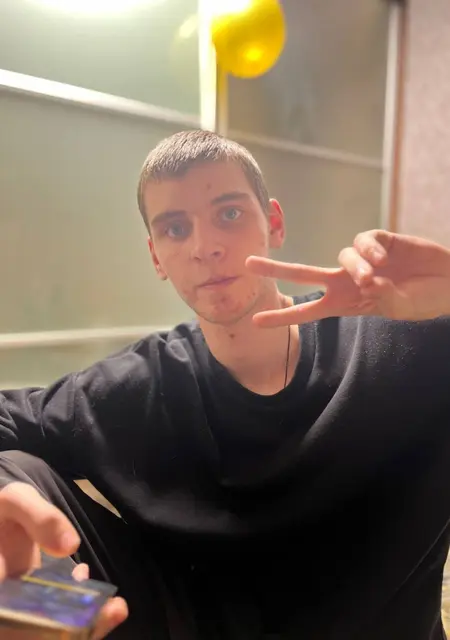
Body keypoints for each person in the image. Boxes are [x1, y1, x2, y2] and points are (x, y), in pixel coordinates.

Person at [0, 129, 450, 640]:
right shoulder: (136, 387)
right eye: (175, 228)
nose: (205, 247)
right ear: (156, 256)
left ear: (273, 223)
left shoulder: (404, 344)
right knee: (16, 474)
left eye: (230, 214)